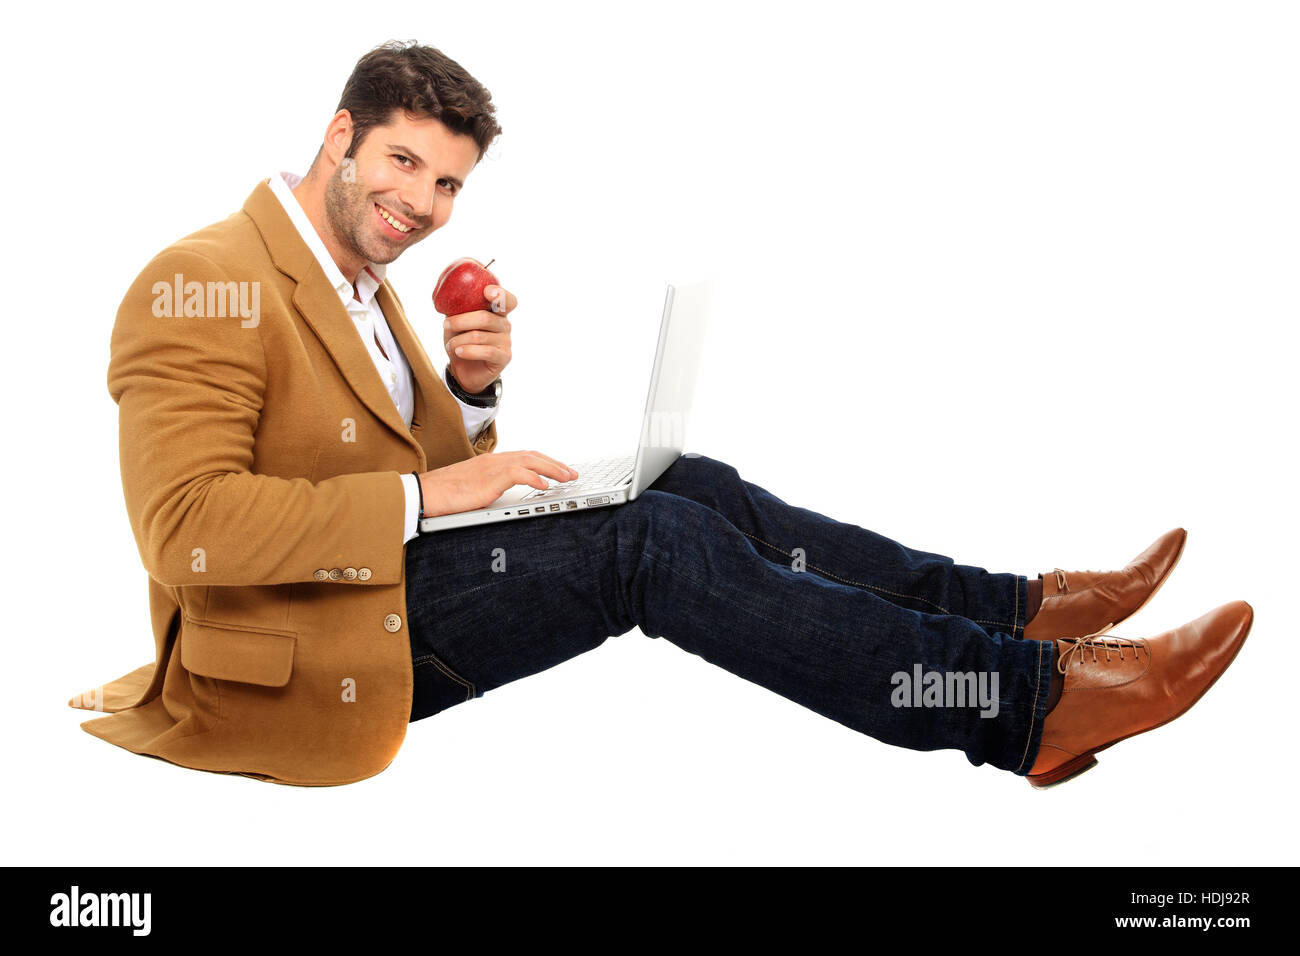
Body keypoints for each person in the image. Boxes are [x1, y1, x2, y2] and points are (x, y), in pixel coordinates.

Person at [70, 40, 1253, 789]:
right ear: (338, 135)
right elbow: (187, 530)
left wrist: (470, 398)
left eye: (447, 183)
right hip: (295, 655)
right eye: (402, 164)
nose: (423, 205)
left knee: (683, 483)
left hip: (381, 585)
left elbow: (412, 484)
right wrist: (439, 486)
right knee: (652, 544)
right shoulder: (204, 281)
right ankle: (1023, 707)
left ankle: (1015, 612)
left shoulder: (360, 283)